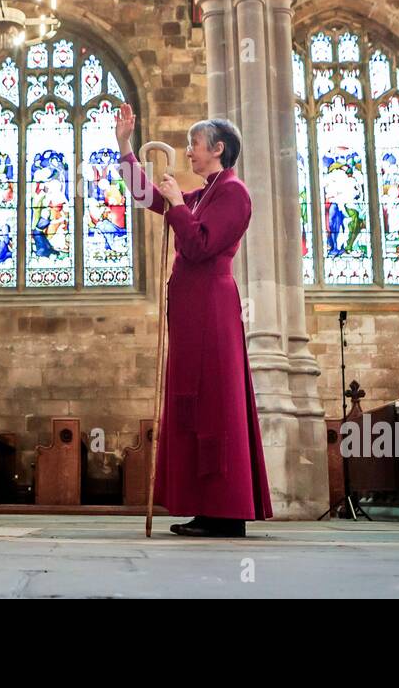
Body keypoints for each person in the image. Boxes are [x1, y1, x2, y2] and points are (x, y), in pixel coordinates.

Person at [115, 103, 273, 537]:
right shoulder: (206, 193)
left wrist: (176, 205)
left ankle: (226, 512)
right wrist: (125, 147)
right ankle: (208, 507)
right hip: (191, 312)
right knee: (195, 405)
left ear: (218, 149)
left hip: (212, 310)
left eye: (194, 145)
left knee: (215, 404)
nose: (188, 153)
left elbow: (200, 245)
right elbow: (150, 199)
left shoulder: (234, 193)